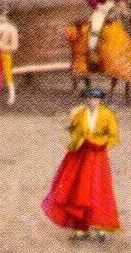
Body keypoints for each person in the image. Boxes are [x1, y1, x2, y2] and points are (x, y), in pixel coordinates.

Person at [42, 87, 121, 241]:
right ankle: (80, 226)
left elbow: (114, 136)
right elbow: (69, 132)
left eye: (96, 99)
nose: (93, 101)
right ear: (86, 99)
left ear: (100, 100)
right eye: (90, 98)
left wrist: (101, 145)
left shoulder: (108, 114)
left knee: (98, 188)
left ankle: (100, 226)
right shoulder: (78, 114)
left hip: (98, 157)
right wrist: (70, 130)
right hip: (80, 155)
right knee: (79, 189)